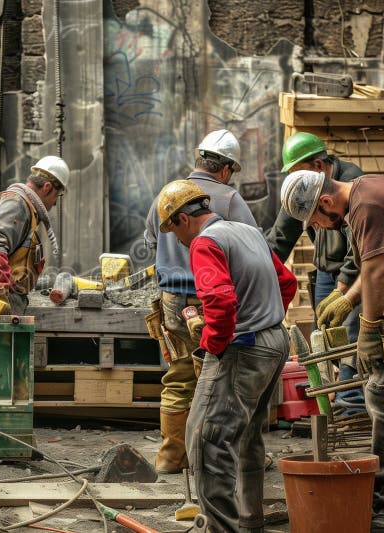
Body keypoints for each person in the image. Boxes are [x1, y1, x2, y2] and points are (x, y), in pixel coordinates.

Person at [280, 170, 384, 532]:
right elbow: (375, 267)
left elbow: (377, 272)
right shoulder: (366, 189)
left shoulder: (365, 207)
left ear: (325, 202)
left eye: (317, 221)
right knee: (383, 397)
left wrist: (368, 329)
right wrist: (347, 298)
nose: (320, 228)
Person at [155, 179, 295, 532]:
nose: (177, 240)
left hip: (243, 346)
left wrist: (212, 343)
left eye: (173, 231)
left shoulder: (205, 242)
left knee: (207, 438)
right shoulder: (249, 233)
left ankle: (221, 528)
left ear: (182, 219)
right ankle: (249, 522)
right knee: (247, 436)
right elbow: (287, 283)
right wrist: (263, 316)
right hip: (275, 340)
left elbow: (220, 300)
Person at [144, 129, 257, 474]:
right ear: (225, 168)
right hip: (213, 299)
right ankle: (224, 458)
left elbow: (151, 242)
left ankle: (171, 457)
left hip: (172, 300)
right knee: (226, 376)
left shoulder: (167, 195)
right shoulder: (230, 199)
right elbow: (252, 248)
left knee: (179, 377)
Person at [265, 131, 365, 409]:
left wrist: (343, 289)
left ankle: (351, 404)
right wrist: (260, 269)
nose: (294, 180)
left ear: (318, 166)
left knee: (350, 332)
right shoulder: (304, 186)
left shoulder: (351, 183)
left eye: (297, 172)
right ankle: (335, 393)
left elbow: (358, 249)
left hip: (355, 271)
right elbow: (280, 237)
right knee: (324, 333)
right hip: (324, 272)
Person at [0, 156, 68, 315]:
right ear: (47, 187)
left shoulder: (23, 204)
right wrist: (0, 290)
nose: (54, 203)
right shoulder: (17, 203)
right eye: (57, 196)